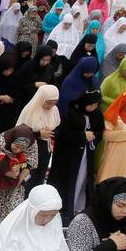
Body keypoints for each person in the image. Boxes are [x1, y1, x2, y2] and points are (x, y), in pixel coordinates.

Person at [48, 89, 103, 224]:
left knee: (83, 179)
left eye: (96, 105)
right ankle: (66, 209)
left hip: (86, 155)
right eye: (91, 104)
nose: (93, 108)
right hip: (70, 157)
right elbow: (63, 135)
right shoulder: (72, 115)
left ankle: (79, 207)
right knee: (70, 181)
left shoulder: (97, 115)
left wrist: (93, 137)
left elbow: (100, 131)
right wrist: (82, 136)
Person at [0, 125, 37, 226]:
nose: (18, 150)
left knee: (12, 210)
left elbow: (31, 163)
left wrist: (18, 173)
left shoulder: (32, 145)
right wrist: (6, 172)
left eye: (22, 148)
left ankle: (6, 234)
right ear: (12, 140)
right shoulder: (0, 142)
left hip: (16, 182)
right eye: (16, 146)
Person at [16, 84, 60, 189]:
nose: (51, 106)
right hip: (30, 148)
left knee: (40, 176)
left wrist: (52, 132)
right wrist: (39, 134)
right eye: (48, 103)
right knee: (28, 176)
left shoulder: (54, 110)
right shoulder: (30, 111)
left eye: (54, 103)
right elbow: (19, 132)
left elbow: (57, 126)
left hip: (46, 148)